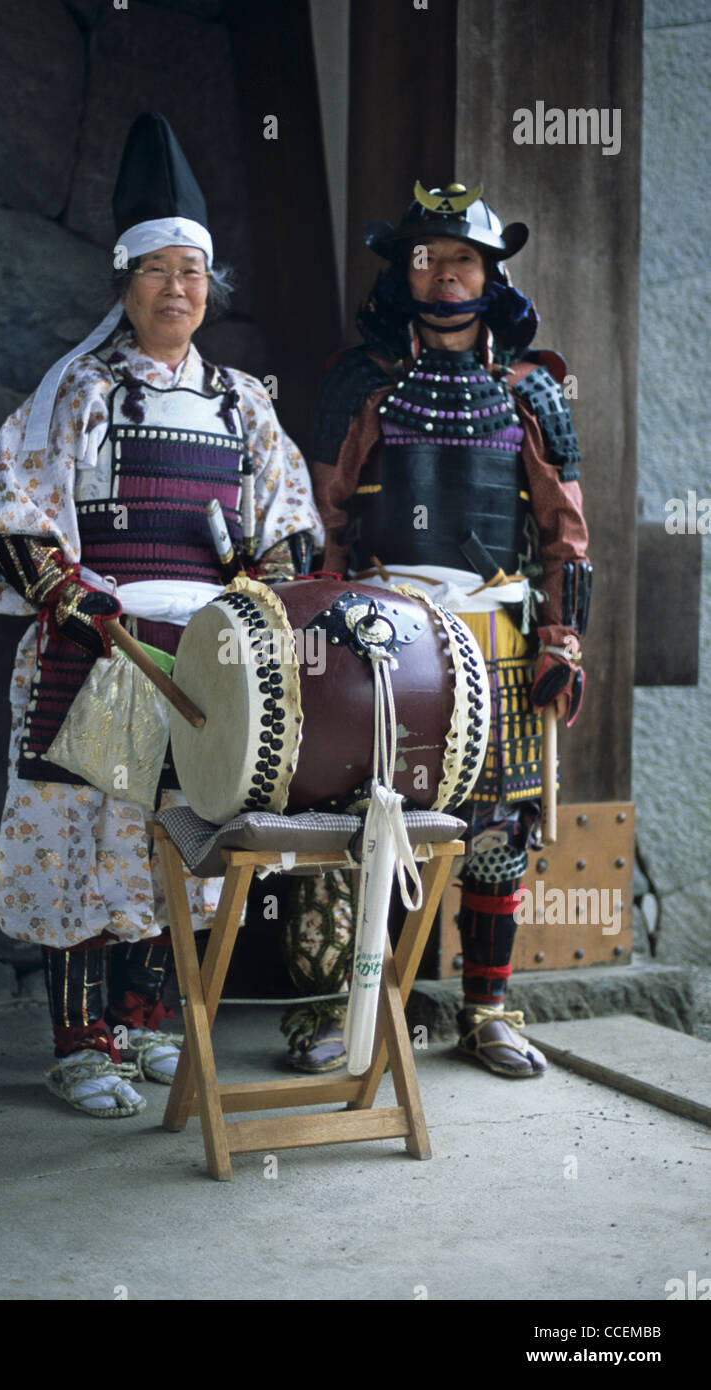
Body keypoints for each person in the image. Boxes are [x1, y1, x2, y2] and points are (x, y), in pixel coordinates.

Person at [0, 112, 323, 1116]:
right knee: (85, 841)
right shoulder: (77, 393)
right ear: (124, 281)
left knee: (174, 841)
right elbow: (8, 513)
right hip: (97, 654)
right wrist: (72, 596)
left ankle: (149, 1022)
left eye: (191, 271)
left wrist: (253, 590)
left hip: (206, 671)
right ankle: (80, 1042)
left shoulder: (243, 406)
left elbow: (290, 537)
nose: (176, 288)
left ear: (209, 287)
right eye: (156, 270)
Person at [304, 179, 591, 1077]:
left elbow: (566, 537)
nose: (445, 276)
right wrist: (317, 636)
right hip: (382, 635)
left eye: (464, 258)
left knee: (497, 830)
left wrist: (561, 643)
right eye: (426, 258)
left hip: (498, 632)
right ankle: (346, 1012)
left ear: (490, 273)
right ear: (404, 274)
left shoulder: (532, 390)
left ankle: (487, 1010)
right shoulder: (358, 382)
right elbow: (325, 523)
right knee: (362, 819)